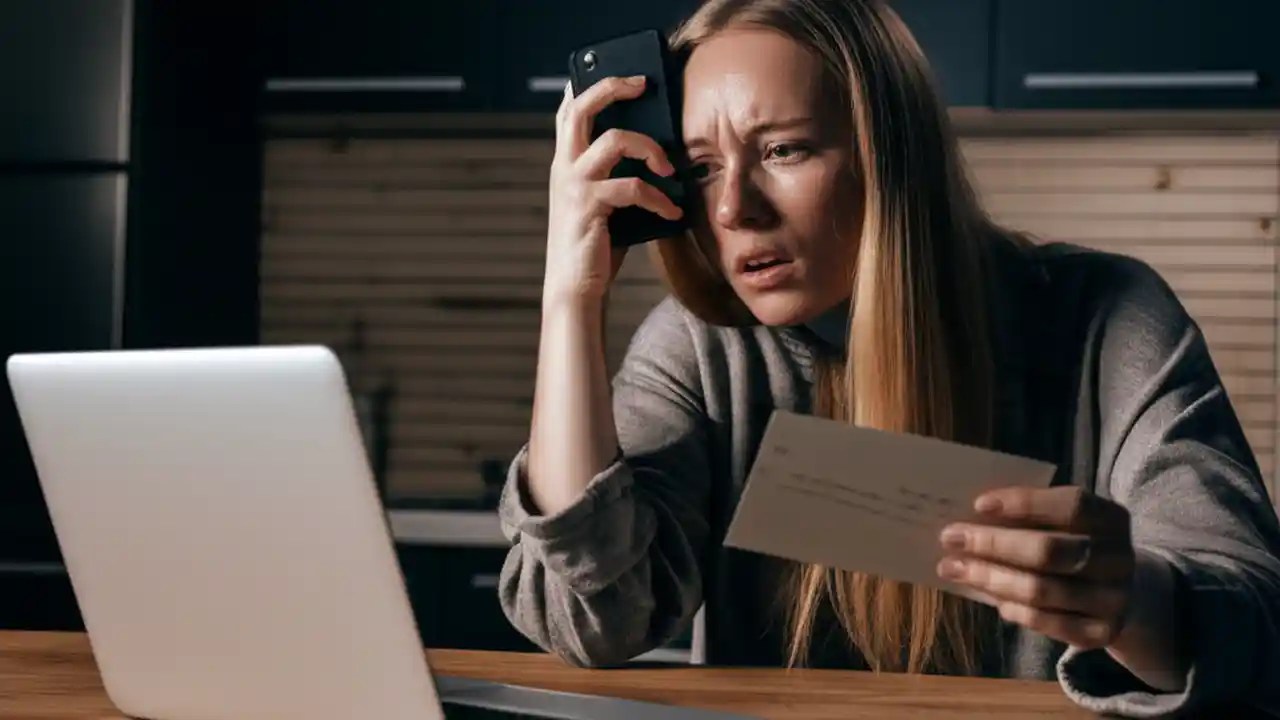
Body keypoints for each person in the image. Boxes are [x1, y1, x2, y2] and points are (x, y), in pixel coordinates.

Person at [494, 0, 1280, 716]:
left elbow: (1258, 625)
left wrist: (1137, 602)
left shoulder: (1107, 315)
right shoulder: (701, 345)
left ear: (889, 155)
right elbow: (590, 620)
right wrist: (570, 296)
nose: (733, 208)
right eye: (702, 168)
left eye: (785, 149)